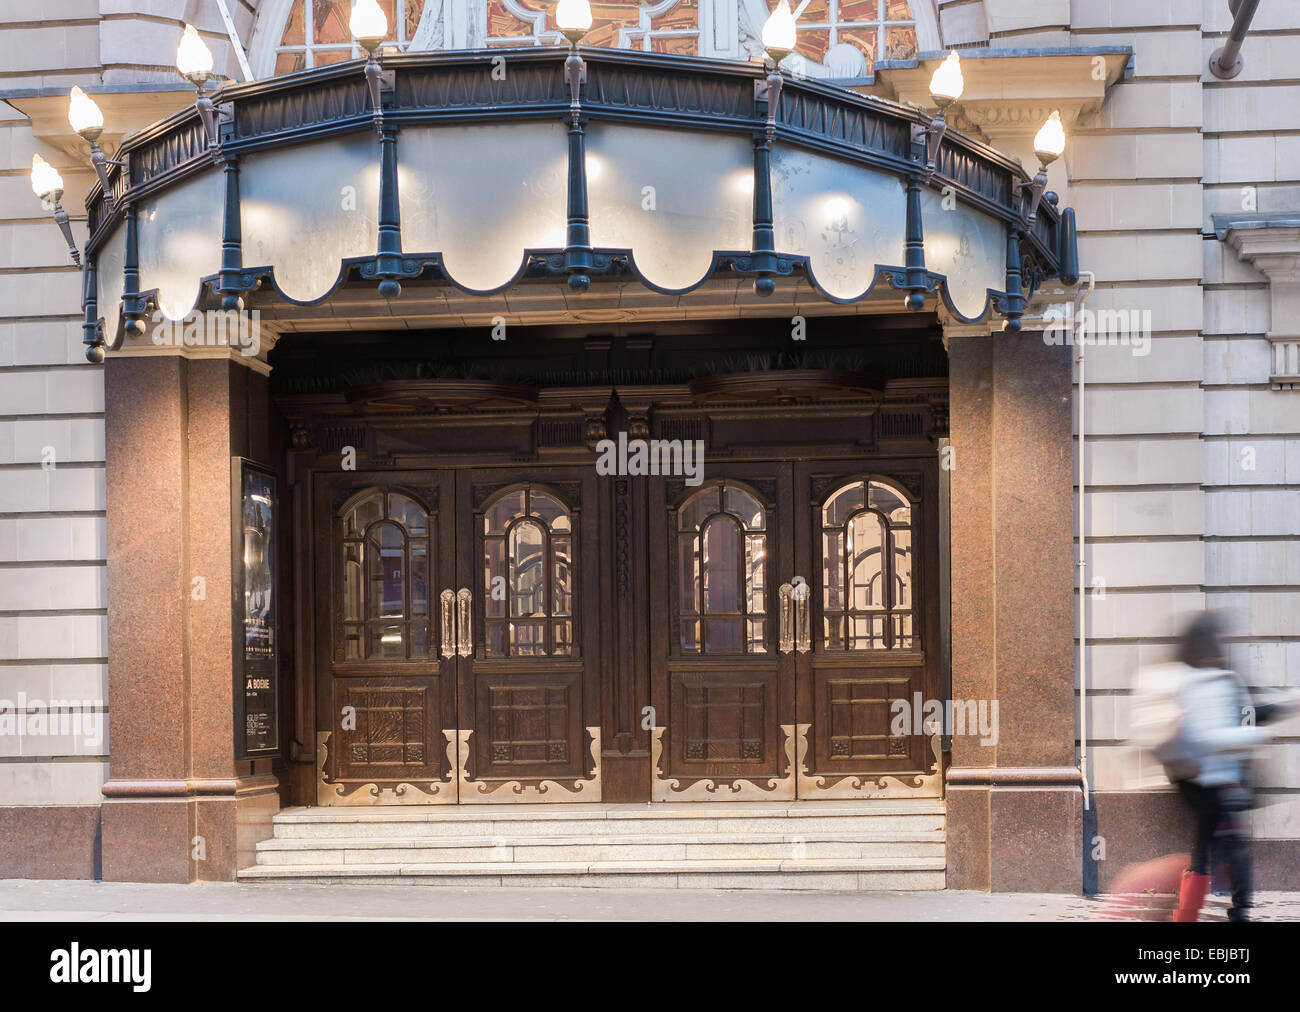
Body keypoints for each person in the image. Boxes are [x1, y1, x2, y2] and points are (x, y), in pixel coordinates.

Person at [1154, 613, 1295, 922]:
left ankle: (1194, 914)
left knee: (1210, 849)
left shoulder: (1188, 680)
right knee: (1228, 848)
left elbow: (1242, 718)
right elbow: (1244, 721)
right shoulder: (1221, 681)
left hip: (1198, 781)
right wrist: (1255, 732)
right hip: (1221, 782)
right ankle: (1231, 911)